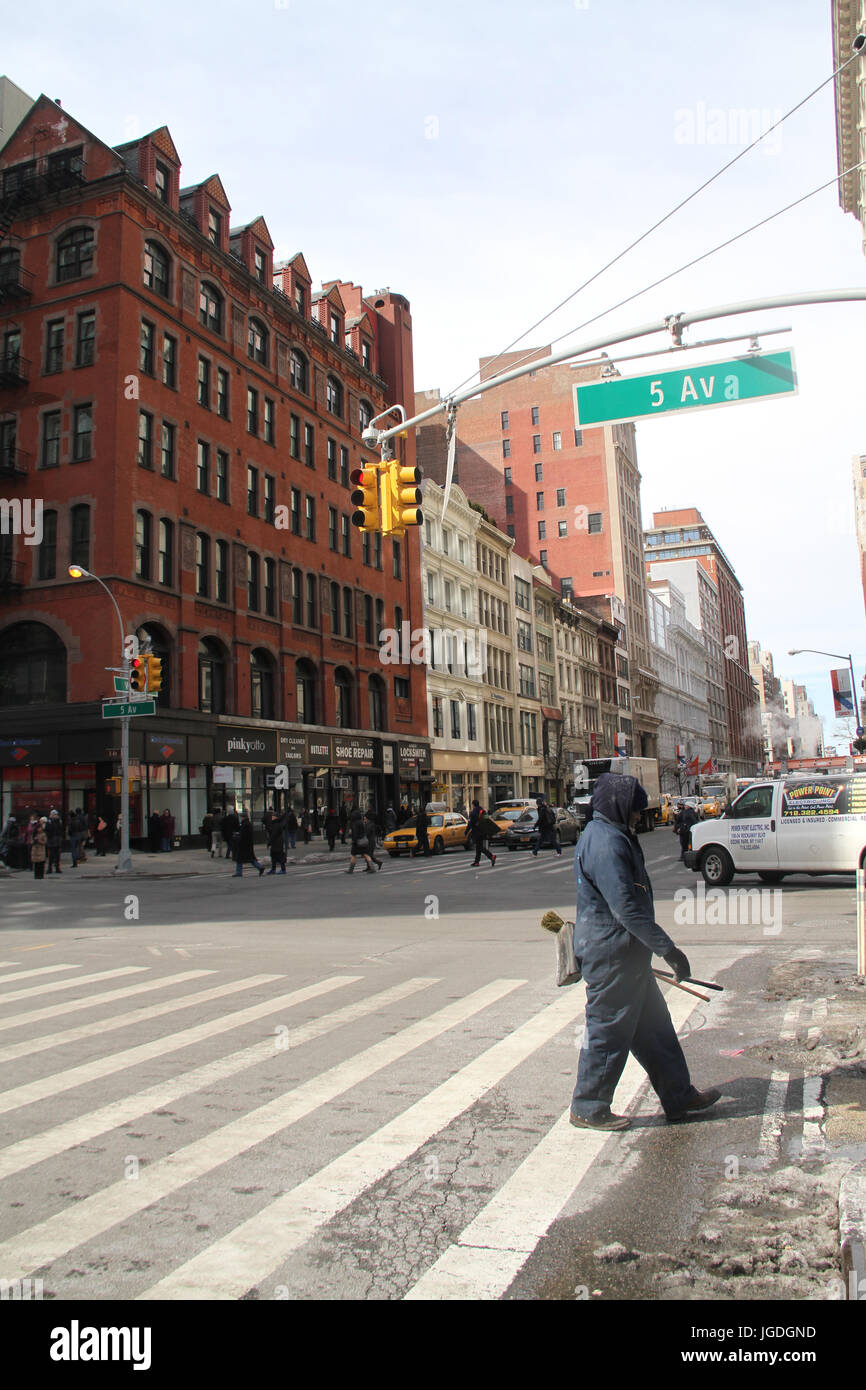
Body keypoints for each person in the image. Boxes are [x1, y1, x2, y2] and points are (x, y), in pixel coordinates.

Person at [570, 773, 720, 1131]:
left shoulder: (612, 833)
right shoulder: (605, 843)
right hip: (612, 956)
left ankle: (679, 1096)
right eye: (636, 811)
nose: (640, 817)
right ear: (620, 807)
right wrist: (669, 950)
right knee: (608, 1031)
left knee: (655, 1030)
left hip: (626, 954)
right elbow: (626, 908)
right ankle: (588, 1106)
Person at [346, 806, 378, 873]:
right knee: (366, 854)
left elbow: (355, 833)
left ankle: (350, 869)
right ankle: (372, 868)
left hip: (357, 841)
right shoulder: (361, 822)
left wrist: (353, 840)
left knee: (353, 854)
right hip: (363, 840)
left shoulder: (354, 823)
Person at [232, 812, 265, 878]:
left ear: (243, 817)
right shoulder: (247, 824)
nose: (240, 819)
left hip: (244, 844)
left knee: (239, 858)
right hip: (248, 844)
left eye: (240, 817)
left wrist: (237, 837)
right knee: (250, 858)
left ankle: (239, 872)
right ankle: (260, 867)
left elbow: (243, 835)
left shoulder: (245, 825)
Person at [466, 800, 497, 867]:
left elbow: (470, 823)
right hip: (483, 831)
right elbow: (487, 820)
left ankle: (491, 856)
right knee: (478, 847)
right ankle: (477, 862)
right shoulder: (483, 811)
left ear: (473, 805)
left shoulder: (473, 813)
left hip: (476, 832)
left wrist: (466, 831)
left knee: (480, 847)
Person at [364, 804, 384, 870]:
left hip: (370, 841)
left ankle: (375, 864)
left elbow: (367, 833)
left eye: (365, 817)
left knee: (369, 855)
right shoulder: (369, 824)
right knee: (368, 854)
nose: (364, 818)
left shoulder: (370, 824)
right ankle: (370, 866)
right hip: (369, 841)